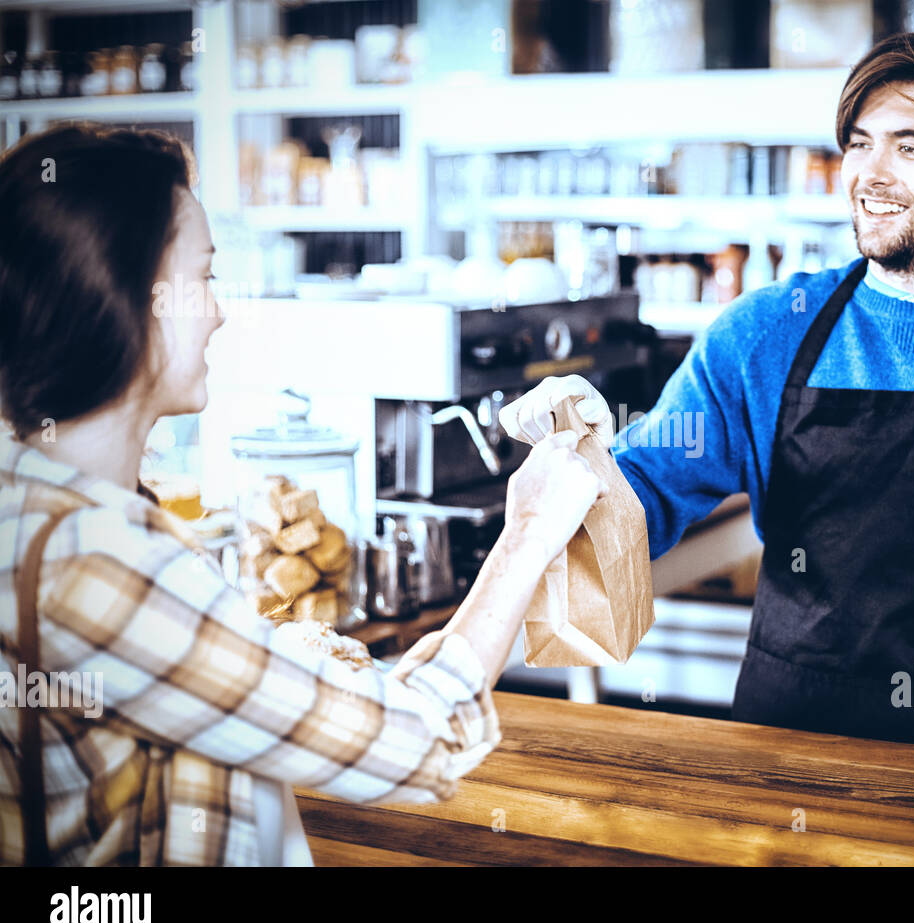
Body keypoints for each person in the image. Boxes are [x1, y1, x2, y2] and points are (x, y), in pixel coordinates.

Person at [502, 33, 914, 768]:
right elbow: (642, 500)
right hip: (780, 772)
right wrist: (578, 451)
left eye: (910, 148)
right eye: (859, 144)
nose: (869, 175)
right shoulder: (762, 333)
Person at [0, 124, 605, 865]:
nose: (219, 311)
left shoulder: (36, 504)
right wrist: (531, 531)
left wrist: (269, 656)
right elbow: (420, 737)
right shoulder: (98, 561)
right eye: (206, 277)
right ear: (129, 301)